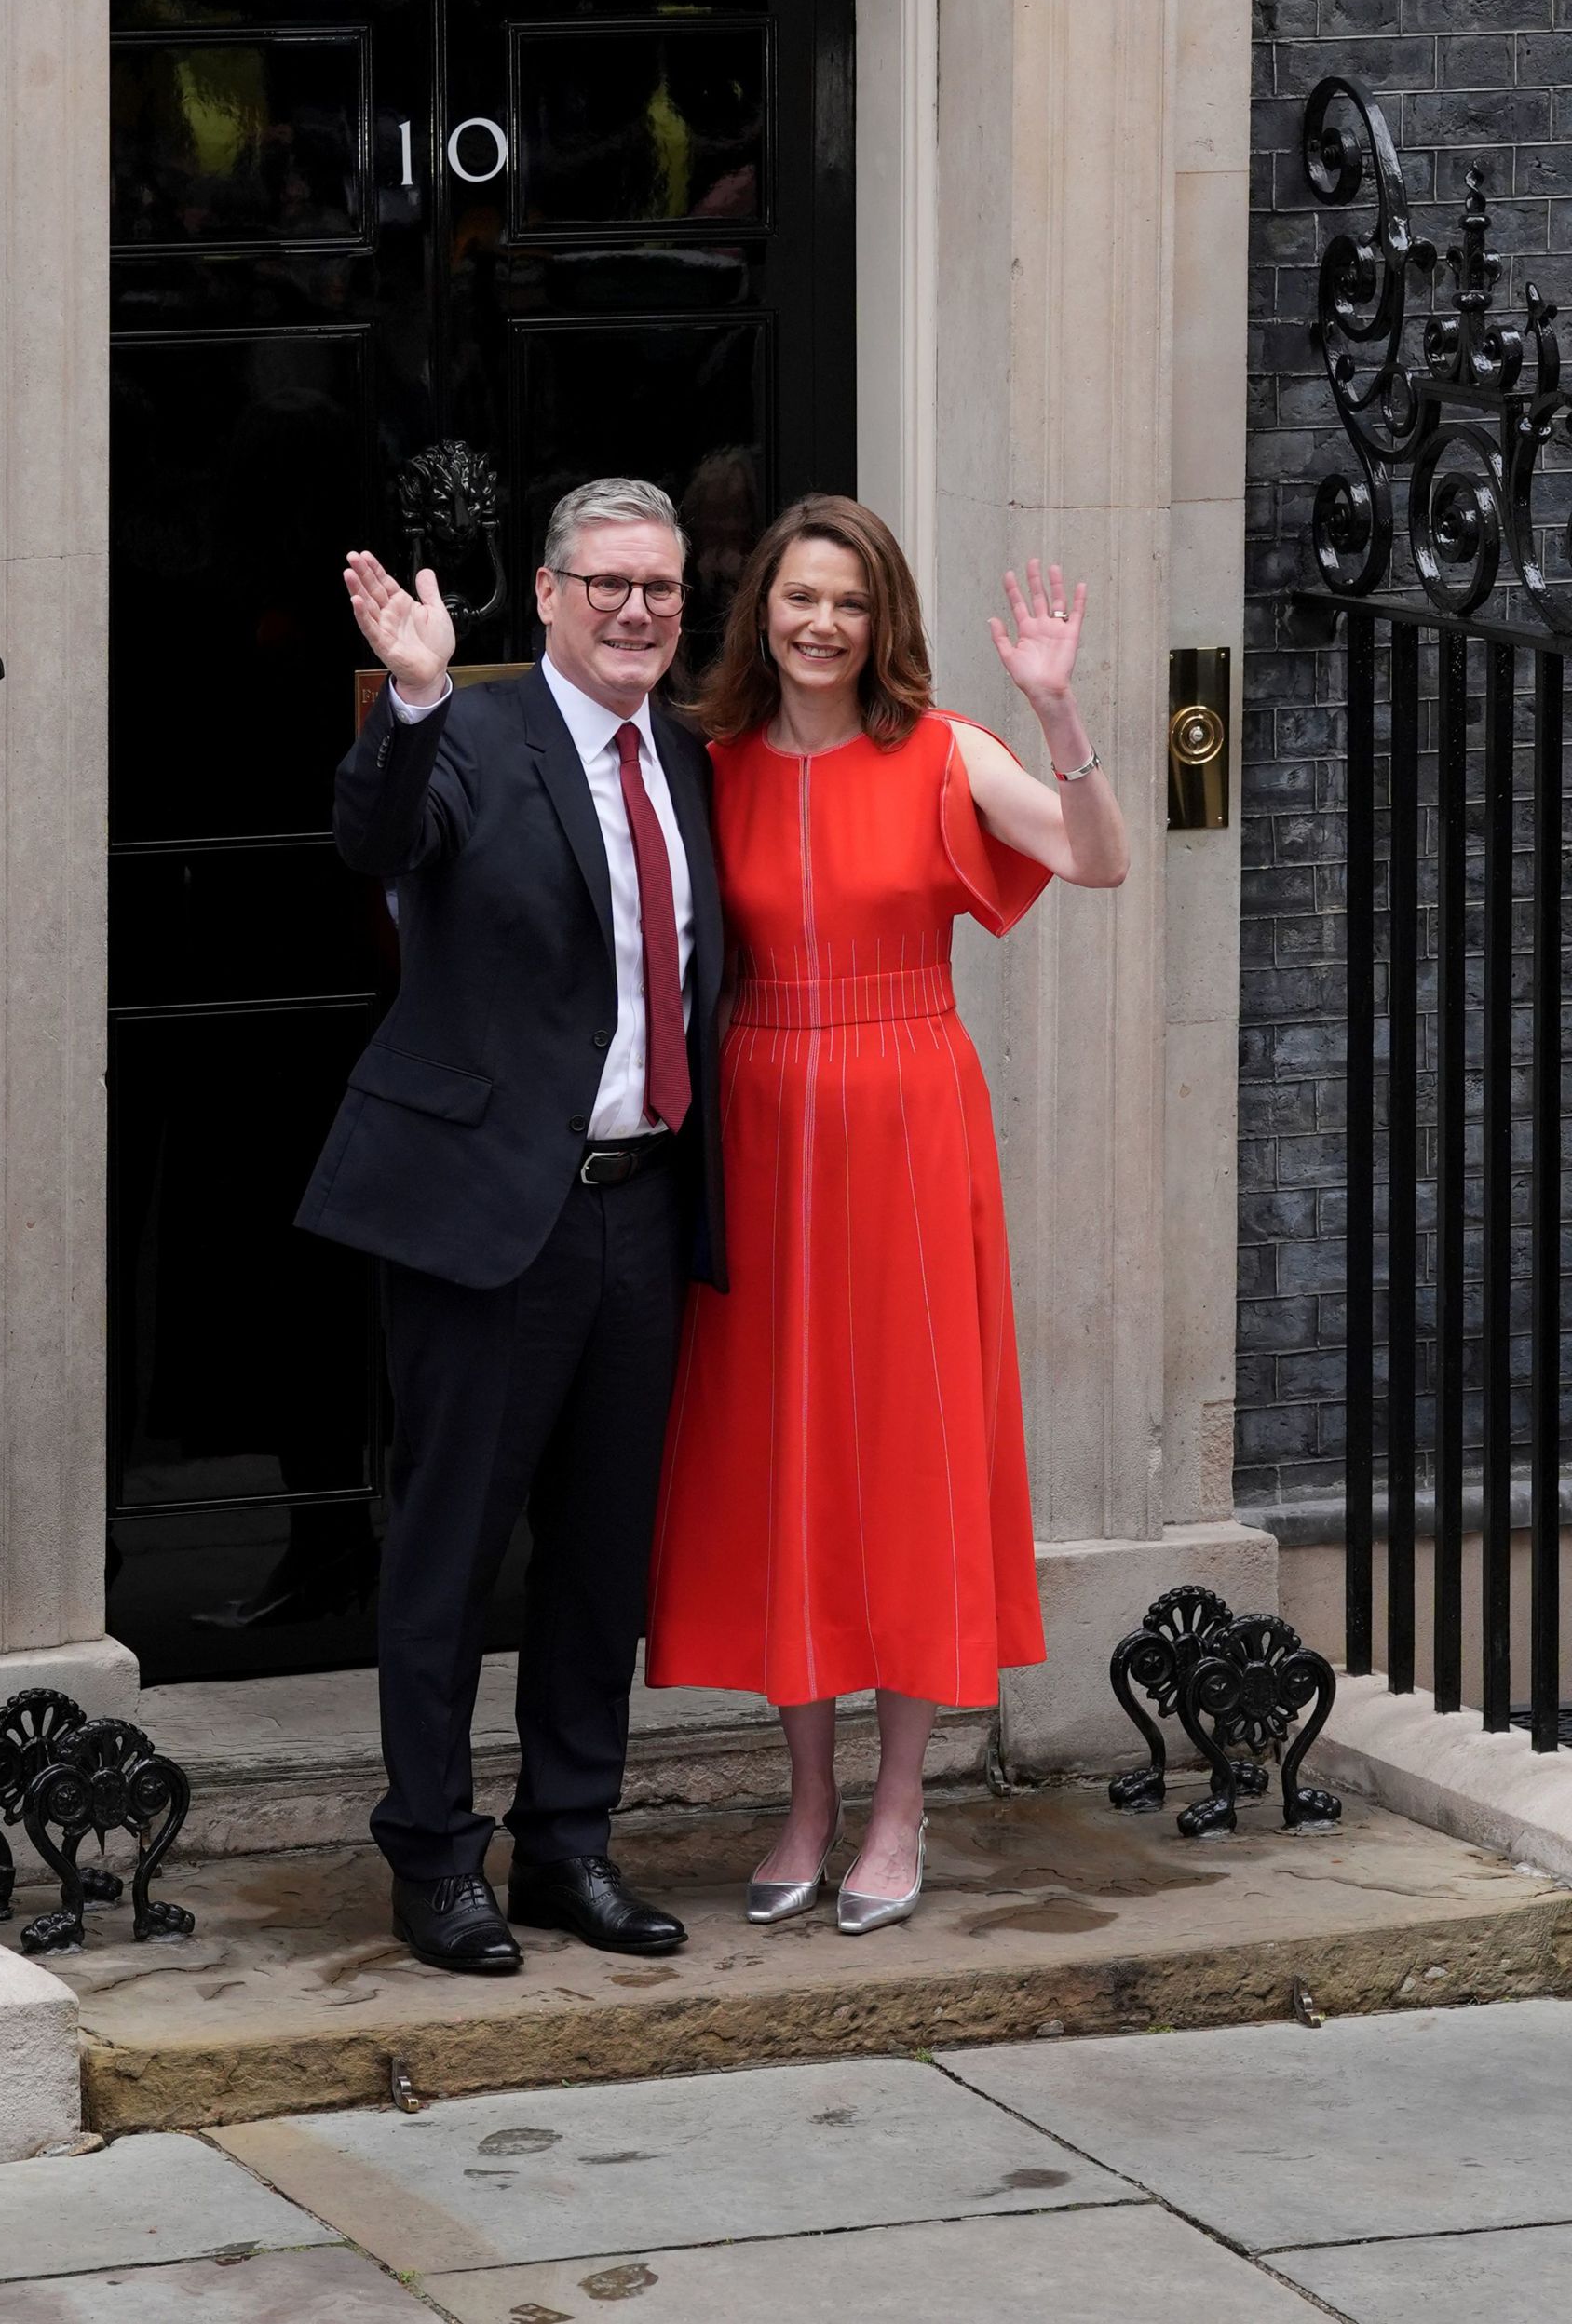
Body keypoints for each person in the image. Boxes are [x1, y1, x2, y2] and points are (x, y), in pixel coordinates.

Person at [645, 497, 1128, 1932]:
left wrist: (1057, 714)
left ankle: (901, 1800)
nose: (821, 624)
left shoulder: (940, 751)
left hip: (911, 1117)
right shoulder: (708, 763)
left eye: (849, 602)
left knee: (909, 1448)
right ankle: (805, 1797)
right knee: (784, 1448)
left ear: (882, 620)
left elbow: (1095, 857)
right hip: (761, 1111)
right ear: (763, 611)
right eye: (800, 597)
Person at [301, 478, 727, 1974]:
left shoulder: (683, 757)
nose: (634, 610)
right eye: (606, 582)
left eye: (661, 588)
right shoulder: (470, 733)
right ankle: (433, 1857)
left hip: (639, 1205)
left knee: (600, 1557)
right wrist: (413, 697)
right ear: (544, 594)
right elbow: (374, 840)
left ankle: (568, 1843)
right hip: (492, 1219)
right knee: (449, 1549)